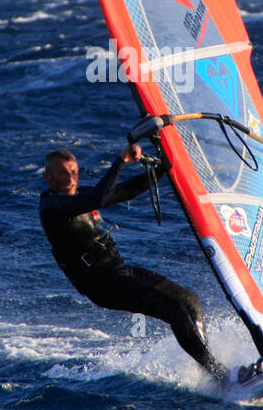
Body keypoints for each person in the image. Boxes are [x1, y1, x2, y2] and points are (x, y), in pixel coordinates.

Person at [39, 144, 226, 381]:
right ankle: (218, 373)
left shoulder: (78, 197)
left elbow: (126, 191)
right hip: (100, 283)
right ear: (47, 177)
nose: (70, 178)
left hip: (118, 272)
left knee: (190, 300)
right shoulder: (53, 206)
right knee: (175, 310)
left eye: (74, 172)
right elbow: (99, 196)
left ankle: (209, 365)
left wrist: (163, 169)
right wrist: (121, 160)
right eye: (63, 173)